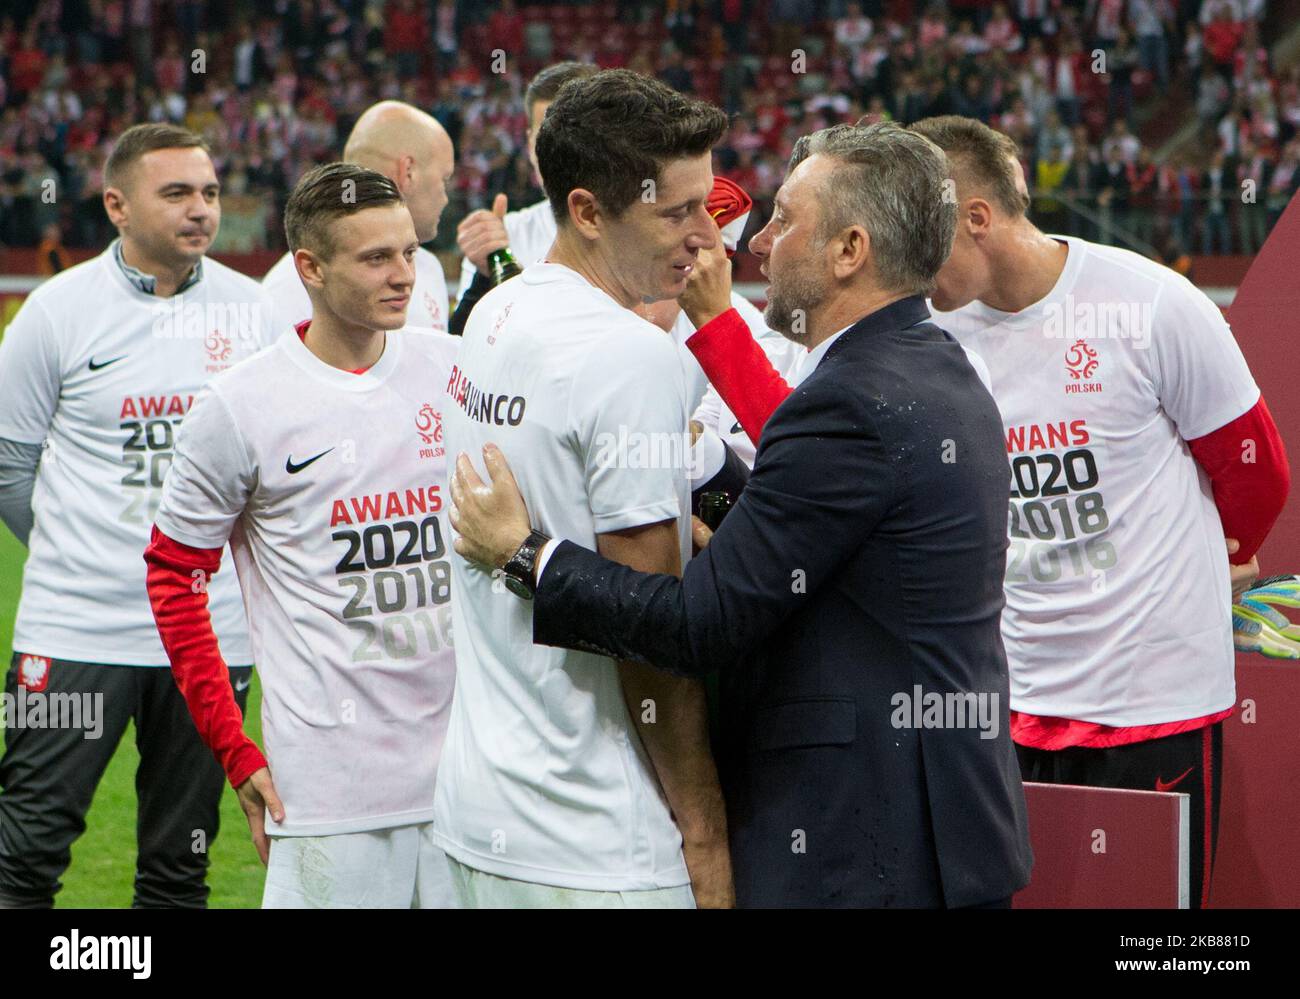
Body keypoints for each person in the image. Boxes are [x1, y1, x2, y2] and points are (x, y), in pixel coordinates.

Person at [678, 115, 1290, 909]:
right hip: (1003, 703)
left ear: (975, 216)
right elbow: (818, 457)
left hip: (1152, 700)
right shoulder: (922, 333)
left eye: (931, 228)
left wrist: (1223, 557)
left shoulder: (1152, 306)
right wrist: (720, 327)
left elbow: (1256, 469)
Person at [447, 121, 1034, 909]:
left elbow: (696, 625)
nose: (756, 242)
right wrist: (717, 489)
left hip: (863, 846)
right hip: (929, 820)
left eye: (786, 219)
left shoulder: (850, 402)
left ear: (849, 250)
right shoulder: (930, 365)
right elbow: (834, 540)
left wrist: (526, 555)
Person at [435, 69, 734, 909]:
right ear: (589, 210)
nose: (704, 239)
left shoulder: (497, 312)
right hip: (601, 836)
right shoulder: (632, 356)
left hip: (484, 805)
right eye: (676, 213)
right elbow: (650, 641)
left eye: (706, 206)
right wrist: (705, 831)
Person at [145, 163, 460, 908]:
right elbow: (174, 576)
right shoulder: (241, 405)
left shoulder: (454, 371)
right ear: (310, 268)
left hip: (467, 782)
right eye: (376, 257)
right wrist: (234, 745)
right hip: (329, 792)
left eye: (411, 252)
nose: (404, 275)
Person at [0, 123, 271, 908]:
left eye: (211, 193)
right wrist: (76, 552)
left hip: (211, 633)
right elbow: (10, 464)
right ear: (116, 204)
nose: (201, 210)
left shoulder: (254, 315)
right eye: (178, 193)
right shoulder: (55, 313)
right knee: (25, 855)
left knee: (179, 866)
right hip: (76, 626)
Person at [262, 101, 455, 334]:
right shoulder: (291, 290)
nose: (445, 198)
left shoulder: (429, 268)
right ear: (408, 172)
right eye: (444, 179)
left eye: (409, 254)